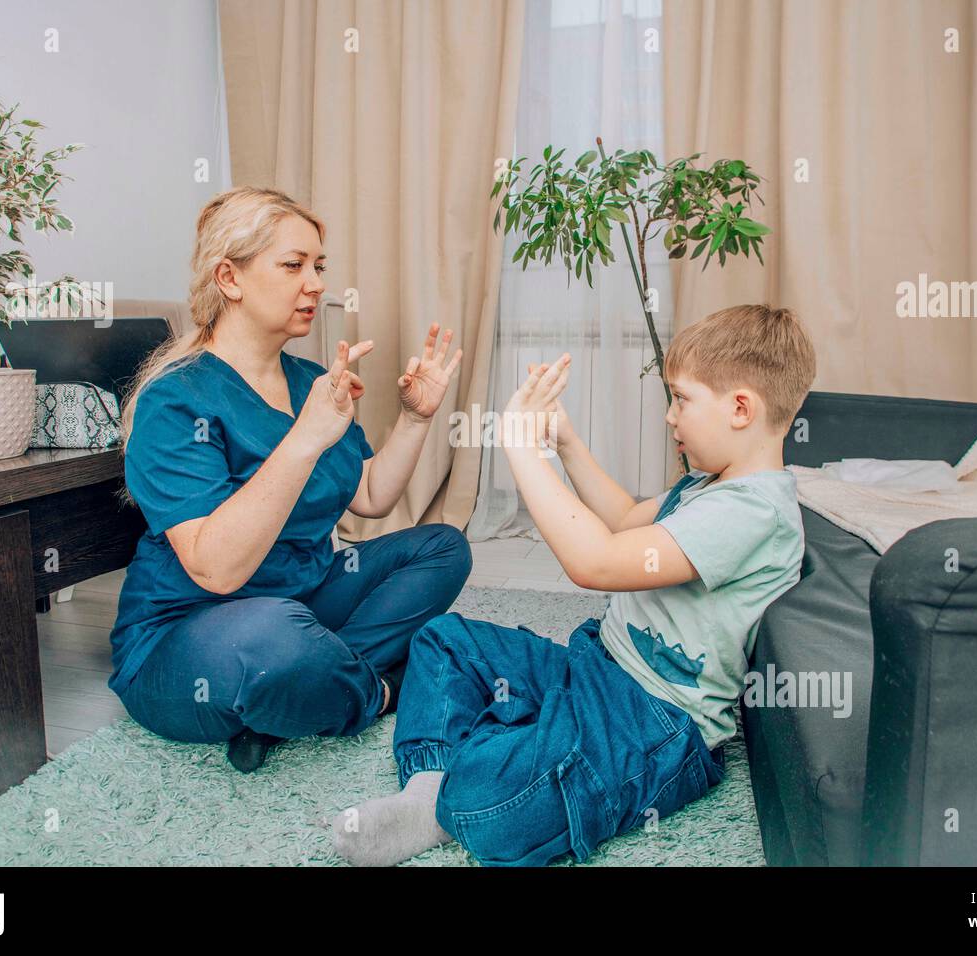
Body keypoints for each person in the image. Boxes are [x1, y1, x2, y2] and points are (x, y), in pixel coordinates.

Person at [332, 305, 816, 865]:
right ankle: (427, 796)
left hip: (655, 719)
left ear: (740, 409)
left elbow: (599, 561)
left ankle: (466, 780)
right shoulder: (709, 484)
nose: (669, 416)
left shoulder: (753, 513)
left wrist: (520, 449)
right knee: (443, 640)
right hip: (598, 664)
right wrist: (564, 443)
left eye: (681, 398)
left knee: (488, 802)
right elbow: (624, 519)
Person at [108, 186, 471, 773]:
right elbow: (216, 568)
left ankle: (298, 694)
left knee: (442, 547)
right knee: (274, 638)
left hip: (304, 596)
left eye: (319, 266)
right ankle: (379, 693)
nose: (317, 283)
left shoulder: (310, 379)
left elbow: (373, 495)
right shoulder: (174, 400)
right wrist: (303, 438)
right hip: (190, 631)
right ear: (230, 278)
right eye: (294, 265)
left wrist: (415, 417)